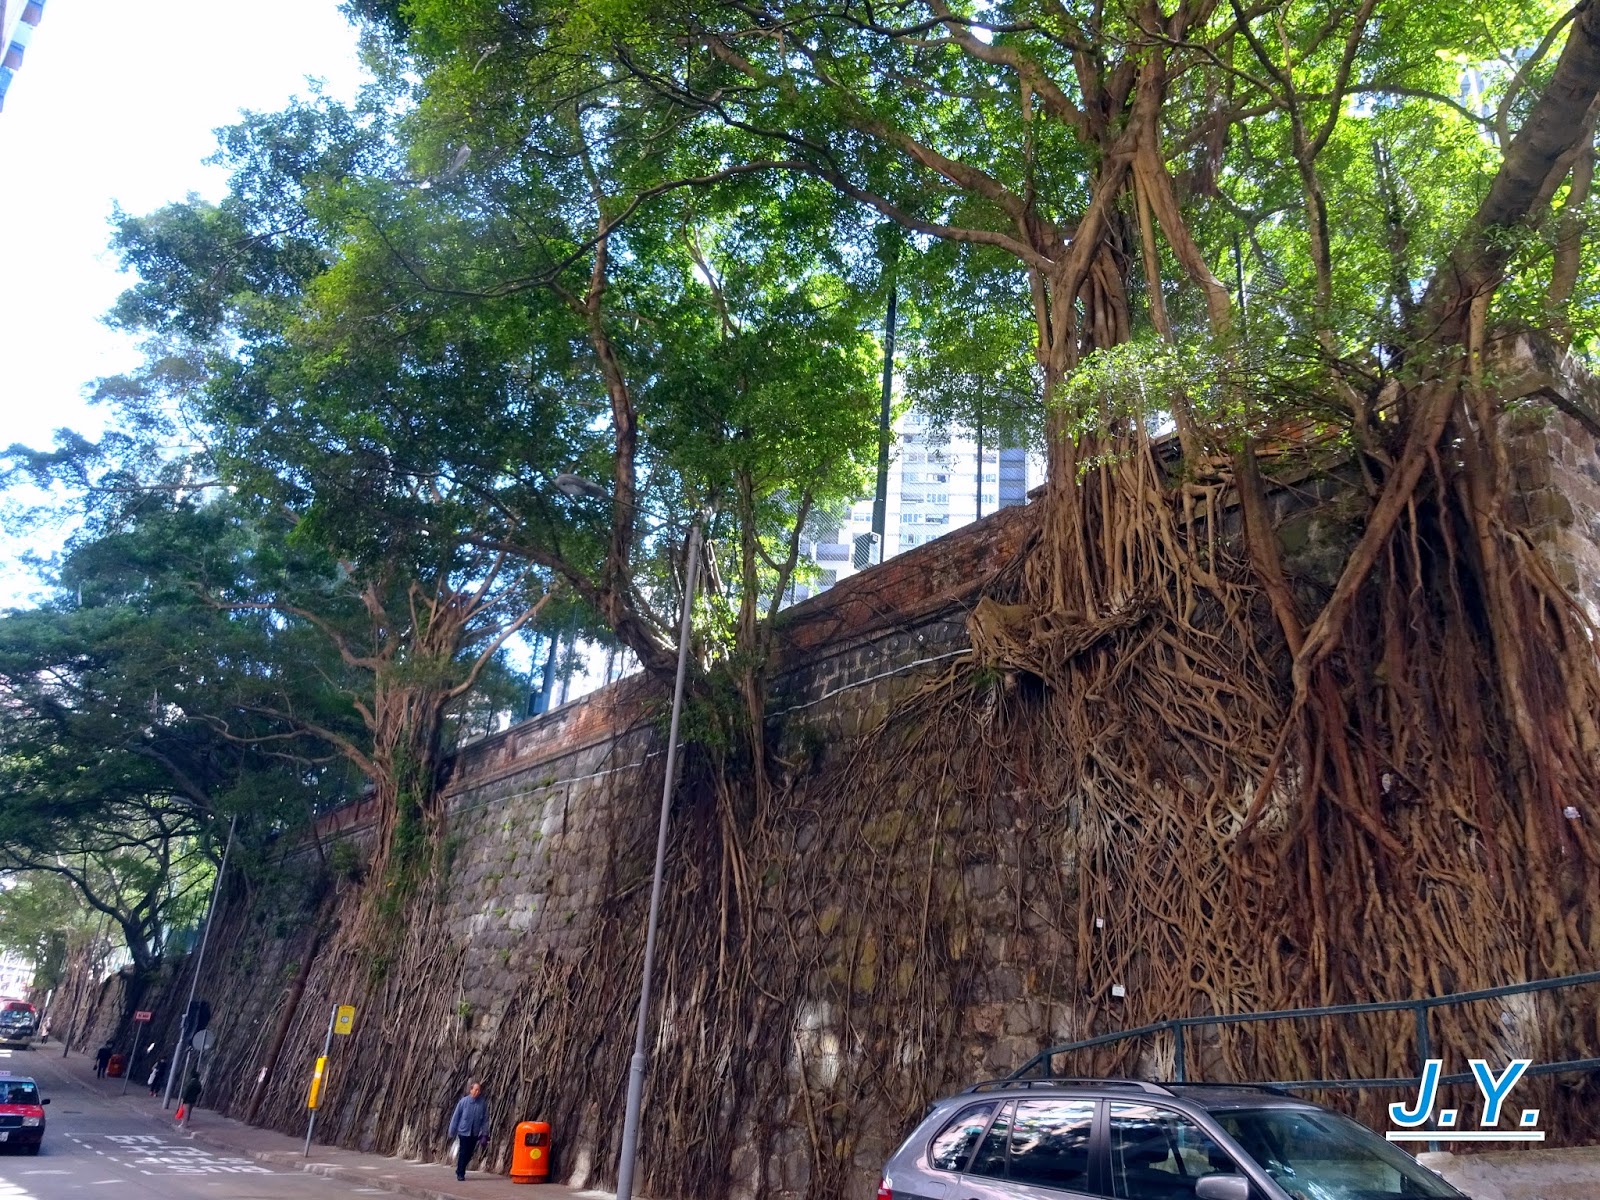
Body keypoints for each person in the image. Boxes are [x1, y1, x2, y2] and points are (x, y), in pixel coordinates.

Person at [447, 1081, 489, 1181]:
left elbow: (485, 1120)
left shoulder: (482, 1103)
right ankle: (461, 1173)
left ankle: (460, 1169)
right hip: (464, 1131)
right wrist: (451, 1131)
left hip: (474, 1132)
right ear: (471, 1090)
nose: (477, 1092)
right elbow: (456, 1117)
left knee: (470, 1153)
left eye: (479, 1090)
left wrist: (485, 1134)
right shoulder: (463, 1102)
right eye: (475, 1090)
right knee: (463, 1152)